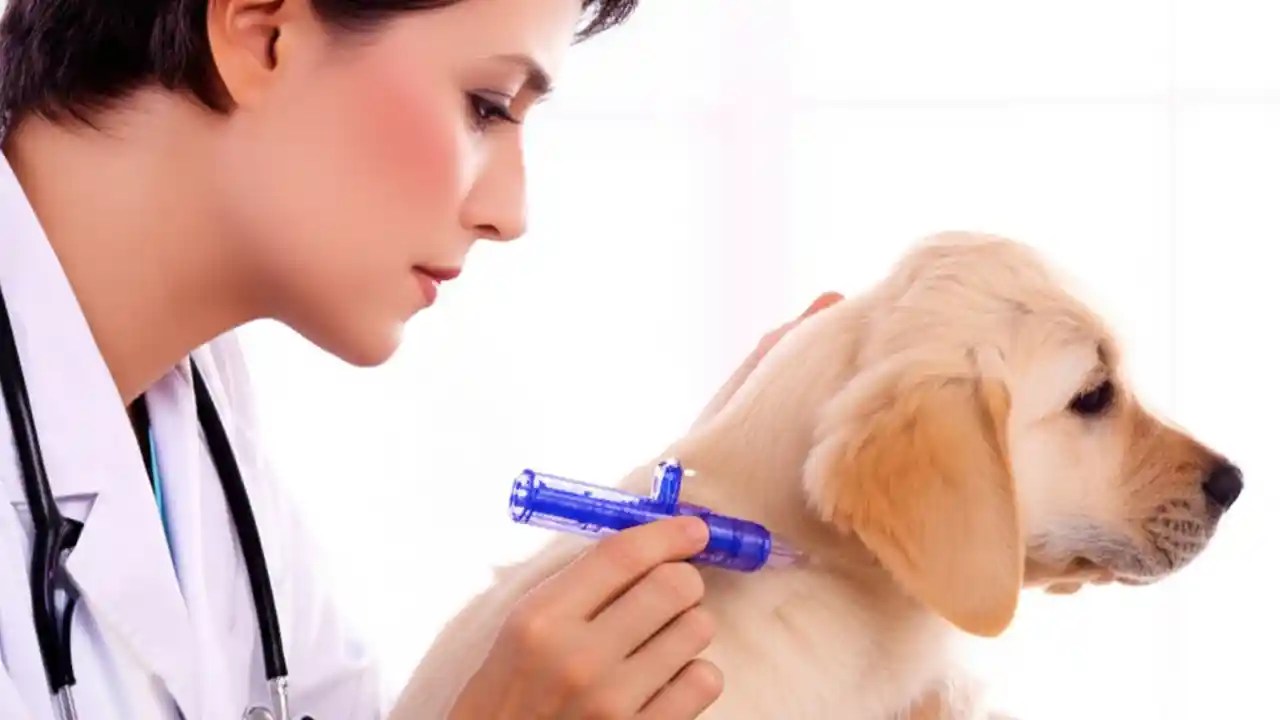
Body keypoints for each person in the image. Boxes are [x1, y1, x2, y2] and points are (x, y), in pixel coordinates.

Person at [0, 0, 839, 718]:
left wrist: (718, 476)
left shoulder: (194, 419)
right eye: (486, 105)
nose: (510, 213)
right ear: (262, 35)